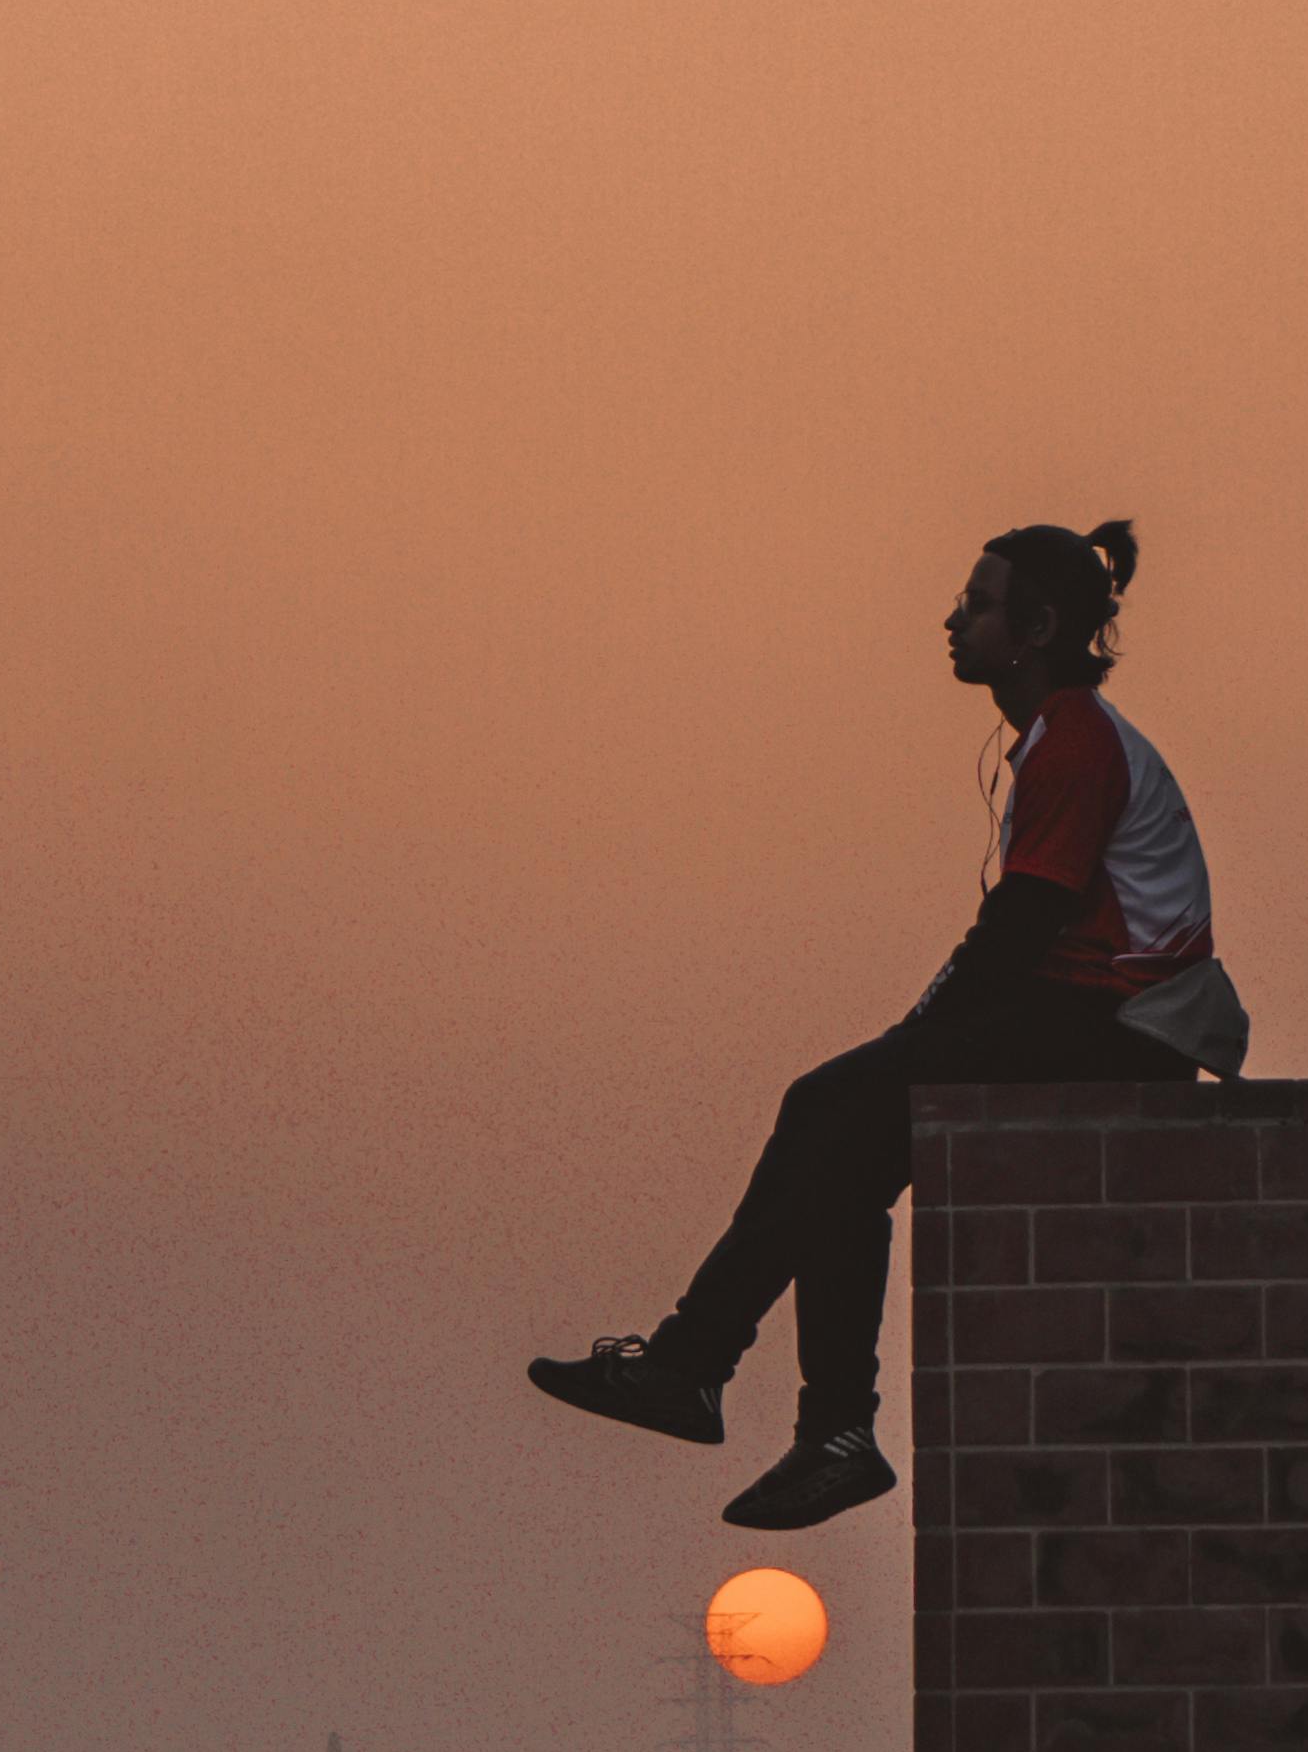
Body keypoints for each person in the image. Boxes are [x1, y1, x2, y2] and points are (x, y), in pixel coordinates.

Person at [530, 517, 1246, 1532]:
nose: (953, 618)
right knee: (843, 1147)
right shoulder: (1057, 736)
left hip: (1118, 1027)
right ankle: (820, 1428)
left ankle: (700, 1370)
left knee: (828, 1106)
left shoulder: (1076, 741)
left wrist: (915, 1040)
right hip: (1086, 1014)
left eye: (977, 601)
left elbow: (1020, 927)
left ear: (1034, 627)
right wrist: (913, 1044)